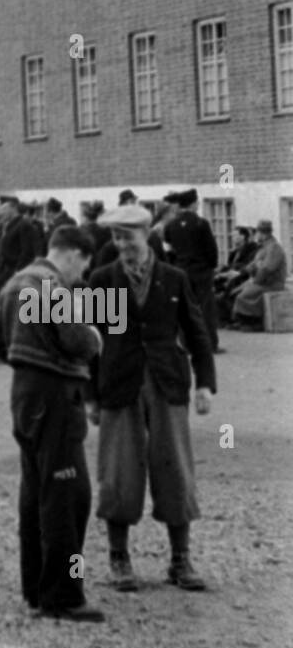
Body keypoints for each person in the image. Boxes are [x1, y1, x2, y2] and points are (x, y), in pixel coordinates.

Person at [88, 203, 216, 592]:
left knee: (175, 467)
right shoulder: (103, 280)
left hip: (166, 382)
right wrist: (91, 396)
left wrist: (205, 384)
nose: (121, 244)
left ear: (147, 234)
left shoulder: (174, 279)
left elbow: (197, 333)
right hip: (119, 382)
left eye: (128, 235)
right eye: (115, 236)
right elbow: (92, 342)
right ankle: (119, 559)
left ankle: (181, 560)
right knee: (119, 470)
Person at [0, 226, 103, 621]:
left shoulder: (14, 284)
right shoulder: (53, 287)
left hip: (23, 394)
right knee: (68, 495)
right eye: (85, 263)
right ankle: (63, 594)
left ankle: (36, 588)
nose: (83, 273)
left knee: (36, 490)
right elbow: (77, 340)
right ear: (73, 253)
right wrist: (95, 337)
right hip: (57, 397)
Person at [162, 189, 221, 353]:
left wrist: (176, 264)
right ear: (193, 204)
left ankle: (187, 343)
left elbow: (168, 249)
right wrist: (211, 266)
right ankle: (209, 343)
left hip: (182, 270)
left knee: (185, 309)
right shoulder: (201, 223)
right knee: (206, 308)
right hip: (201, 271)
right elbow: (211, 250)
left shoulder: (171, 225)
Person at [231, 220, 287, 331]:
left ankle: (253, 322)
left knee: (243, 296)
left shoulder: (274, 248)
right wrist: (243, 272)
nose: (257, 236)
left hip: (272, 283)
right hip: (262, 280)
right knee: (235, 290)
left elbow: (267, 269)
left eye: (258, 233)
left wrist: (255, 280)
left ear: (263, 234)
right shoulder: (264, 248)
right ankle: (241, 320)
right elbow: (253, 264)